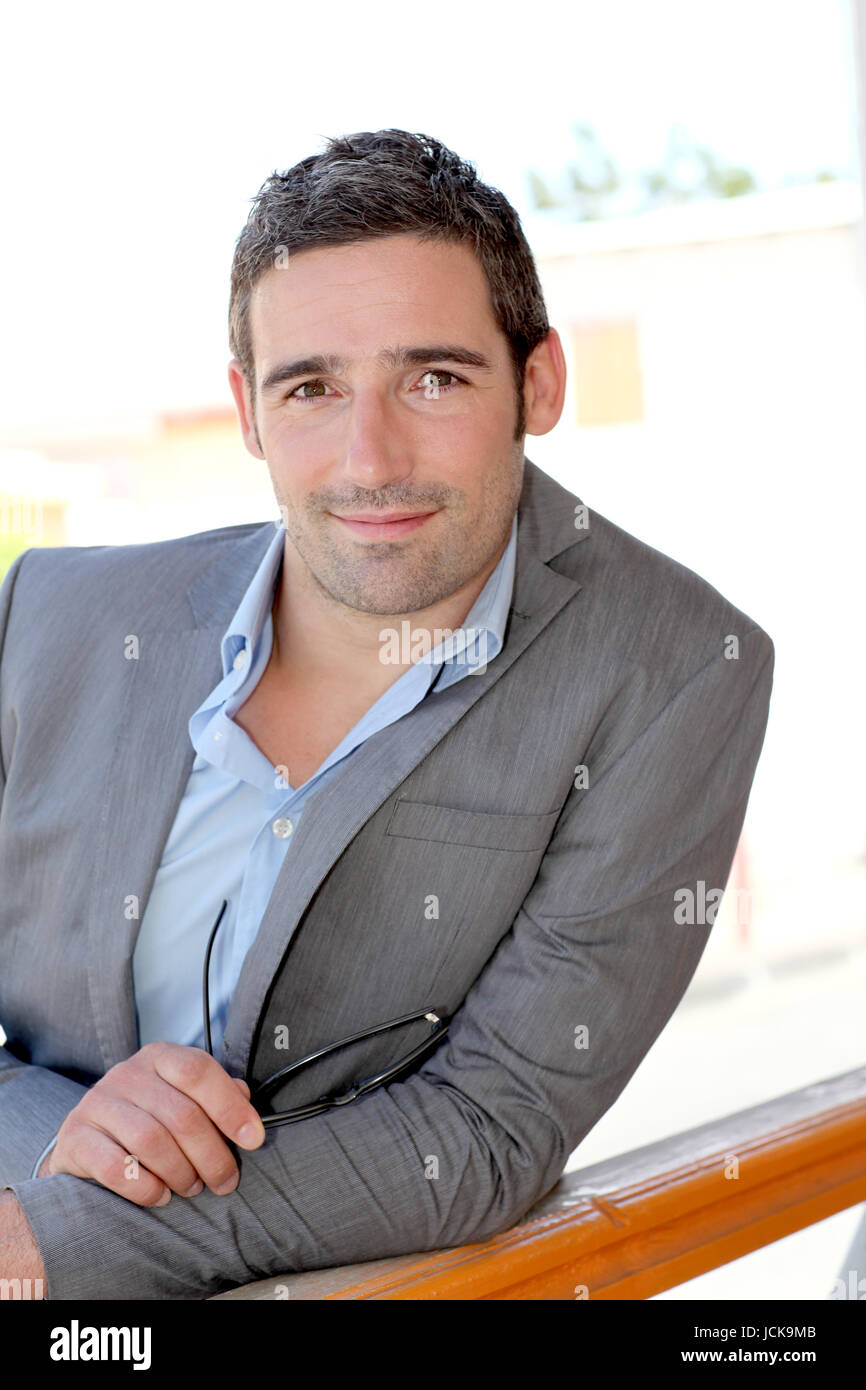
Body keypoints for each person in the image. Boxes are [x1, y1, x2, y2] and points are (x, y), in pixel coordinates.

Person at [0, 129, 774, 1300]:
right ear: (249, 412)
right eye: (311, 386)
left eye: (434, 378)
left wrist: (62, 1236)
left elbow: (490, 1128)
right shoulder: (53, 617)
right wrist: (66, 1139)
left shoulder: (679, 667)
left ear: (539, 382)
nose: (371, 458)